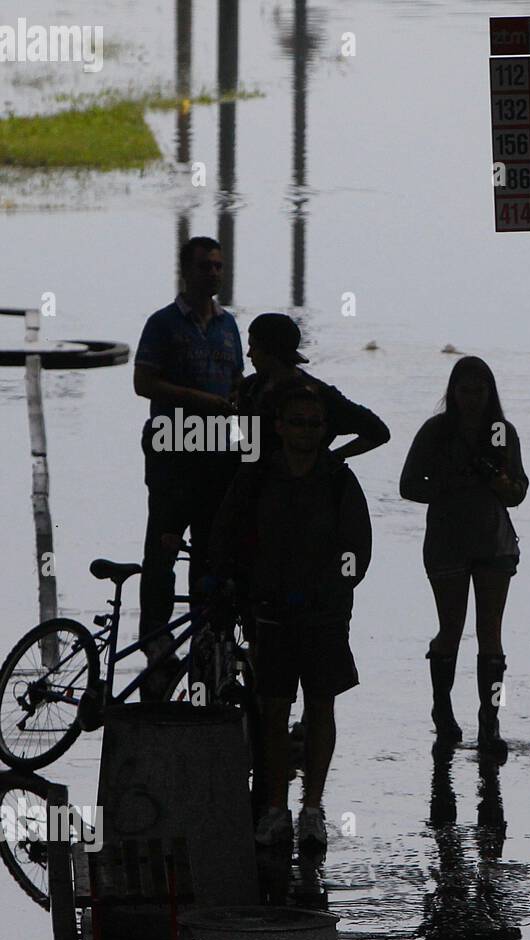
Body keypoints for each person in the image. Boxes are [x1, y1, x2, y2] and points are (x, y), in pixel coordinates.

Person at [210, 384, 372, 852]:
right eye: (296, 422)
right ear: (278, 426)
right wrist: (231, 587)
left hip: (324, 616)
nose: (306, 431)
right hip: (271, 615)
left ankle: (313, 809)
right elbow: (229, 535)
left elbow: (356, 548)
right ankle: (276, 809)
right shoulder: (257, 478)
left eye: (315, 424)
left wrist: (336, 590)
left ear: (325, 430)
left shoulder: (339, 478)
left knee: (322, 705)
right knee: (275, 710)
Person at [399, 356, 528, 758]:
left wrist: (497, 479)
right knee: (450, 629)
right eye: (465, 390)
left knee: (491, 634)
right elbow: (407, 486)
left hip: (493, 542)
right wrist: (449, 485)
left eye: (479, 390)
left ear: (490, 393)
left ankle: (489, 722)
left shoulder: (502, 434)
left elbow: (519, 492)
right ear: (452, 392)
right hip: (447, 542)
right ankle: (443, 708)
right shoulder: (436, 432)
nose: (472, 398)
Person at [133, 236, 244, 695]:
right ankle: (156, 643)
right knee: (163, 546)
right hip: (172, 451)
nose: (213, 274)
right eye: (205, 267)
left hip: (217, 455)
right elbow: (144, 383)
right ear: (186, 271)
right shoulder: (163, 324)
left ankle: (206, 639)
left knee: (211, 550)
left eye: (218, 267)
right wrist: (201, 400)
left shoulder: (228, 326)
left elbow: (237, 382)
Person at [236, 313, 391, 463]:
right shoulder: (249, 388)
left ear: (271, 352)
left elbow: (378, 432)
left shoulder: (319, 396)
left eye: (254, 347)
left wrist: (329, 460)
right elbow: (245, 447)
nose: (249, 354)